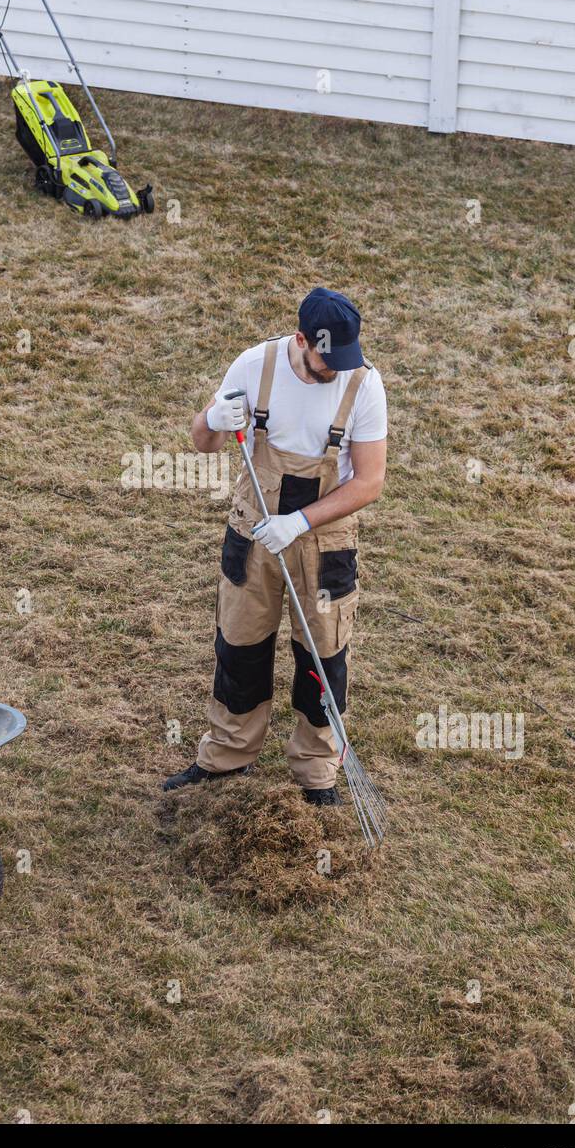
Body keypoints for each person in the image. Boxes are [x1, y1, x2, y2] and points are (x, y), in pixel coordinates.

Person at [165, 288, 387, 805]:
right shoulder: (255, 366)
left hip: (325, 539)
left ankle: (316, 769)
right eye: (324, 362)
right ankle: (228, 754)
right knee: (240, 645)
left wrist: (300, 522)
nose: (334, 371)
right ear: (301, 339)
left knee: (324, 653)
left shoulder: (364, 385)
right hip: (254, 529)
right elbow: (203, 439)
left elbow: (369, 482)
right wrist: (213, 423)